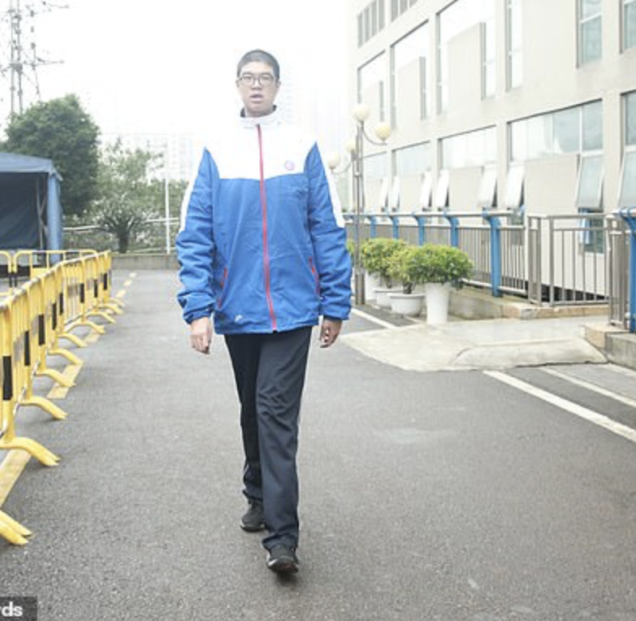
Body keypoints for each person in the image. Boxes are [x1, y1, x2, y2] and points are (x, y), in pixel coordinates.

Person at [176, 49, 352, 574]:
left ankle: (283, 537)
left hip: (294, 310)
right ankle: (256, 491)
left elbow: (327, 227)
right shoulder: (216, 149)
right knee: (252, 407)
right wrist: (198, 309)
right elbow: (195, 233)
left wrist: (335, 303)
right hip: (237, 306)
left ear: (278, 87)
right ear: (237, 85)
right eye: (249, 78)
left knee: (275, 414)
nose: (257, 86)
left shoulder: (302, 147)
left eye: (266, 78)